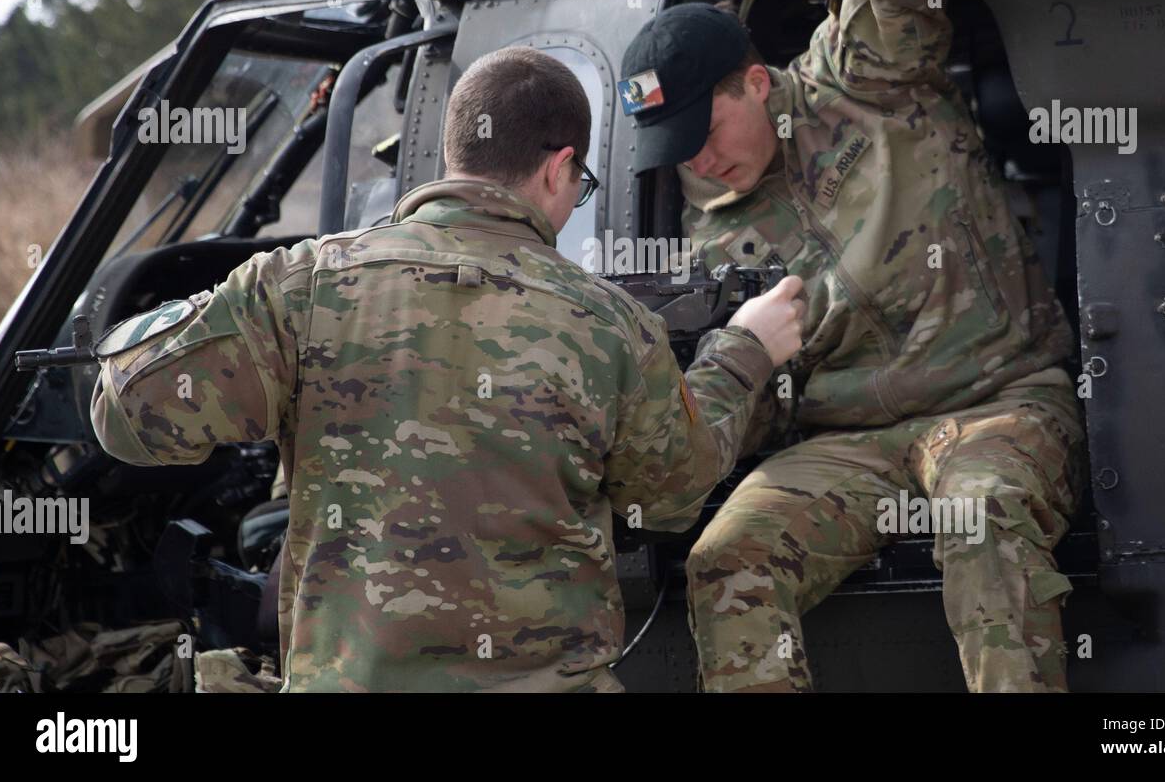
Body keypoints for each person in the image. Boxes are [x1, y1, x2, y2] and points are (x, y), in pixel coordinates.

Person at [89, 45, 805, 692]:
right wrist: (744, 351)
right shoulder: (610, 322)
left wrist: (200, 317)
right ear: (560, 168)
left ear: (453, 153)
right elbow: (674, 491)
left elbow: (125, 411)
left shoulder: (300, 287)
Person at [618, 0, 1086, 692]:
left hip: (998, 399)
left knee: (981, 519)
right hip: (847, 446)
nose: (698, 161)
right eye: (676, 146)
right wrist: (748, 360)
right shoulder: (710, 231)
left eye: (706, 131)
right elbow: (751, 418)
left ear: (755, 82)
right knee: (731, 561)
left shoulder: (864, 79)